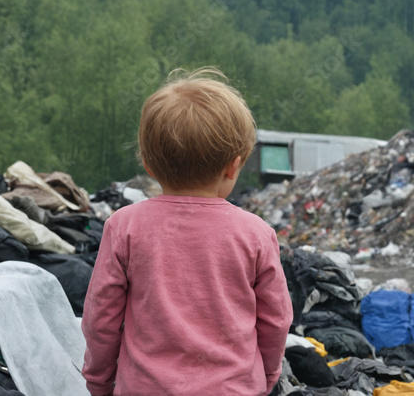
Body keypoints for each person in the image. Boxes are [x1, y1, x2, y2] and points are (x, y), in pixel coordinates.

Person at [82, 67, 293, 396]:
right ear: (233, 166)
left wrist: (98, 380)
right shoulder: (256, 234)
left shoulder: (124, 227)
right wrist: (267, 375)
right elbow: (276, 320)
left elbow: (101, 316)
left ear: (149, 166)